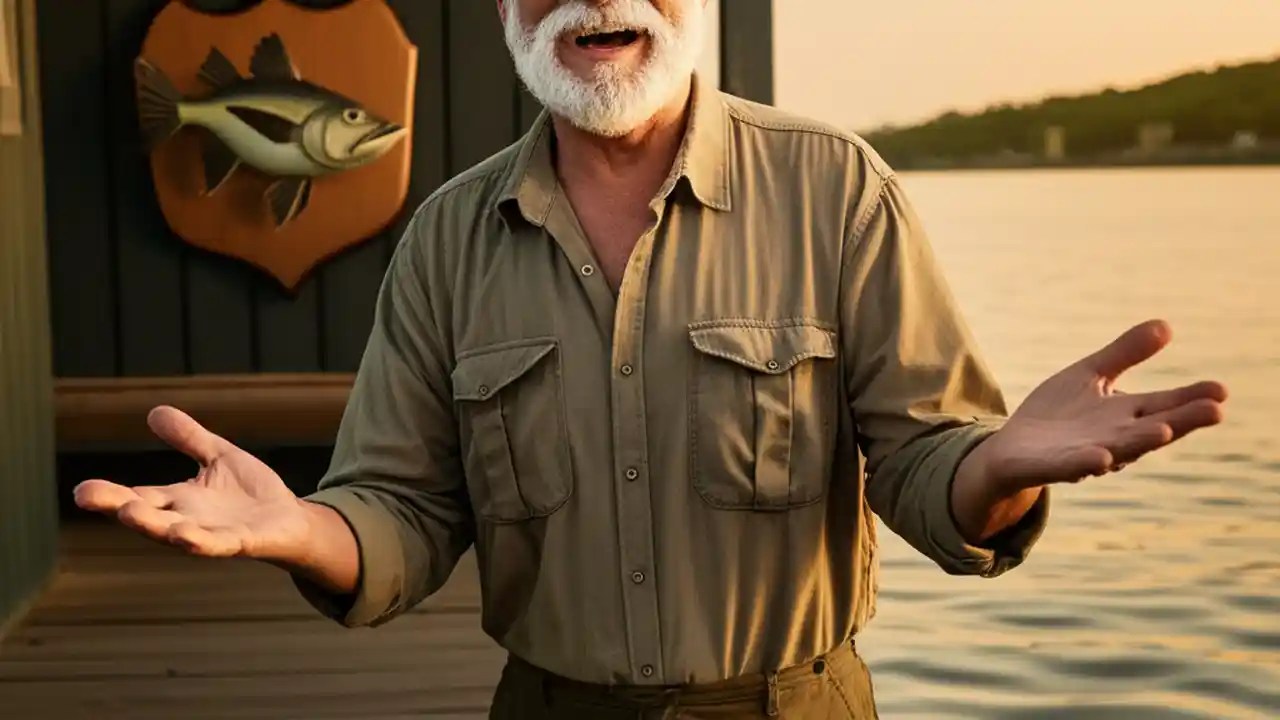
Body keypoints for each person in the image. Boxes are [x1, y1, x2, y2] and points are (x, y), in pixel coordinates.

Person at [75, 1, 1229, 717]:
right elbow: (403, 509)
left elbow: (929, 468)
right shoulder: (445, 237)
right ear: (504, 12)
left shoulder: (835, 188)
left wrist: (1000, 466)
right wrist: (303, 530)